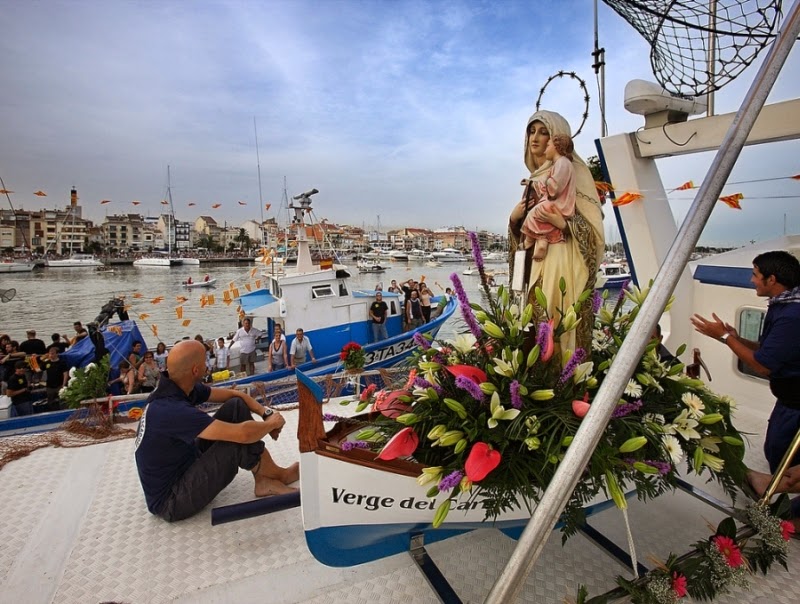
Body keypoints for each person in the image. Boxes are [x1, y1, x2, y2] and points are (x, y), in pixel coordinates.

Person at [691, 250, 800, 525]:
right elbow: (767, 351)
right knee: (776, 452)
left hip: (796, 402)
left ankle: (788, 511)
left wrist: (726, 337)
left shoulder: (791, 316)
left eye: (755, 275)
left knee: (783, 458)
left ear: (771, 279)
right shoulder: (784, 304)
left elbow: (764, 366)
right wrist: (736, 338)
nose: (751, 281)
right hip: (788, 399)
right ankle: (775, 489)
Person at [134, 340, 298, 522]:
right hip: (171, 501)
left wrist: (266, 413)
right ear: (195, 370)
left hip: (187, 460)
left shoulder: (179, 387)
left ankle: (266, 478)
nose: (208, 364)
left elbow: (236, 396)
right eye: (206, 361)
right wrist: (272, 424)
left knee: (235, 407)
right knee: (234, 444)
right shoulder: (171, 410)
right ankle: (270, 478)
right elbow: (242, 435)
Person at [508, 110, 605, 355]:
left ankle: (559, 381)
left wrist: (562, 223)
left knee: (553, 321)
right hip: (531, 264)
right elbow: (520, 235)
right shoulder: (534, 179)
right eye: (532, 131)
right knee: (530, 324)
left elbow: (592, 235)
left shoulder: (571, 174)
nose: (535, 138)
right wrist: (514, 219)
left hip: (560, 262)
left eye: (544, 133)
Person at [520, 133, 577, 261]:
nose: (545, 148)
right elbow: (545, 188)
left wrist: (545, 178)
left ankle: (534, 240)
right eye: (531, 132)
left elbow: (554, 188)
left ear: (557, 147)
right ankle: (541, 241)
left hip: (559, 206)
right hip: (552, 203)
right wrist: (532, 183)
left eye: (548, 145)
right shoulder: (557, 165)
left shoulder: (563, 163)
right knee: (536, 214)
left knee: (536, 212)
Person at [41, 345, 68, 410]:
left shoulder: (62, 363)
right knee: (50, 402)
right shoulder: (47, 363)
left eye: (52, 354)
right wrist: (42, 359)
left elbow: (65, 374)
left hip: (59, 385)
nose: (51, 355)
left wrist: (63, 385)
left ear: (57, 354)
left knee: (63, 401)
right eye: (50, 354)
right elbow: (39, 369)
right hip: (50, 386)